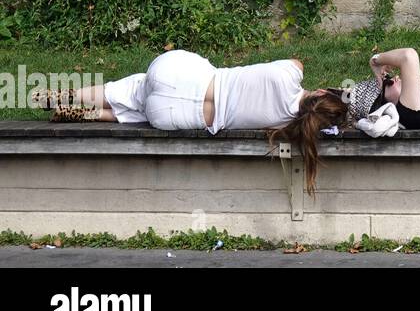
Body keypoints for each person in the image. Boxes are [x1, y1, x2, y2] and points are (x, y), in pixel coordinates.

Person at [29, 49, 348, 193]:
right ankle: (96, 116)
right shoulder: (288, 126)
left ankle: (70, 97)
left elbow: (298, 61)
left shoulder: (289, 74)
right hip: (175, 116)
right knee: (143, 112)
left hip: (180, 75)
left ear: (319, 92)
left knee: (132, 88)